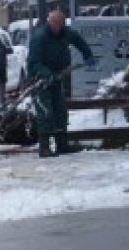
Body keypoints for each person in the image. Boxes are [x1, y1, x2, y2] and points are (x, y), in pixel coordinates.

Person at [27, 9, 95, 158]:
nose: (58, 26)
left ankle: (62, 144)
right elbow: (33, 63)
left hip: (57, 77)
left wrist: (88, 54)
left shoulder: (65, 33)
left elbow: (78, 40)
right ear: (49, 22)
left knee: (60, 110)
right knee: (45, 112)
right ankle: (44, 147)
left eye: (60, 23)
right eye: (55, 23)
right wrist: (46, 74)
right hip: (40, 80)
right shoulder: (40, 38)